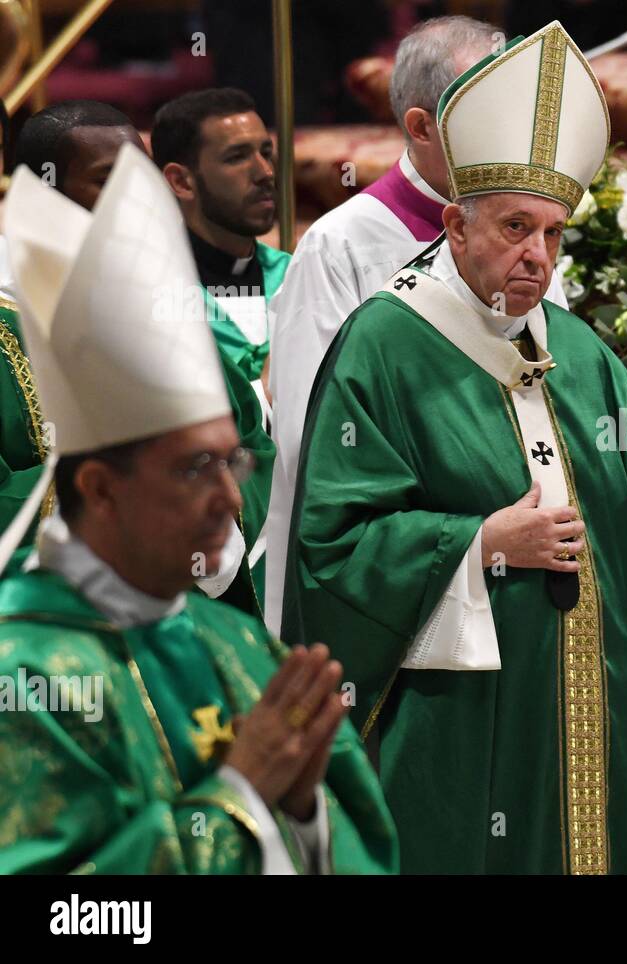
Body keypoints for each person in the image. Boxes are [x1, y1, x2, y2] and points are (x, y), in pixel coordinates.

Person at [282, 21, 627, 874]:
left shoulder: (578, 348)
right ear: (455, 224)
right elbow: (332, 545)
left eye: (554, 234)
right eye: (514, 227)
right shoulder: (386, 345)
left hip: (599, 708)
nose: (536, 255)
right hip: (469, 714)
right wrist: (479, 546)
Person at [0, 145, 396, 874]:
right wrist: (242, 795)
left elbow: (362, 849)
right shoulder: (23, 671)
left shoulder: (242, 647)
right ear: (99, 489)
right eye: (193, 468)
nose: (229, 496)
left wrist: (308, 814)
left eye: (232, 460)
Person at [262, 14, 568, 635]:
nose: (508, 128)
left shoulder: (530, 234)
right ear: (421, 126)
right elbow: (311, 438)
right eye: (483, 106)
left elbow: (552, 391)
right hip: (408, 581)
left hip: (531, 559)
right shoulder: (341, 245)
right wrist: (464, 537)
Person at [9, 100, 276, 617]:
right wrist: (129, 507)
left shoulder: (163, 305)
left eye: (142, 180)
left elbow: (252, 447)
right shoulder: (7, 322)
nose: (134, 203)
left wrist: (207, 511)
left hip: (187, 612)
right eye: (108, 181)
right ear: (45, 193)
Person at [153, 87, 288, 424]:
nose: (265, 172)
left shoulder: (299, 275)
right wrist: (268, 392)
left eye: (266, 152)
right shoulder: (149, 298)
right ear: (182, 181)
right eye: (236, 157)